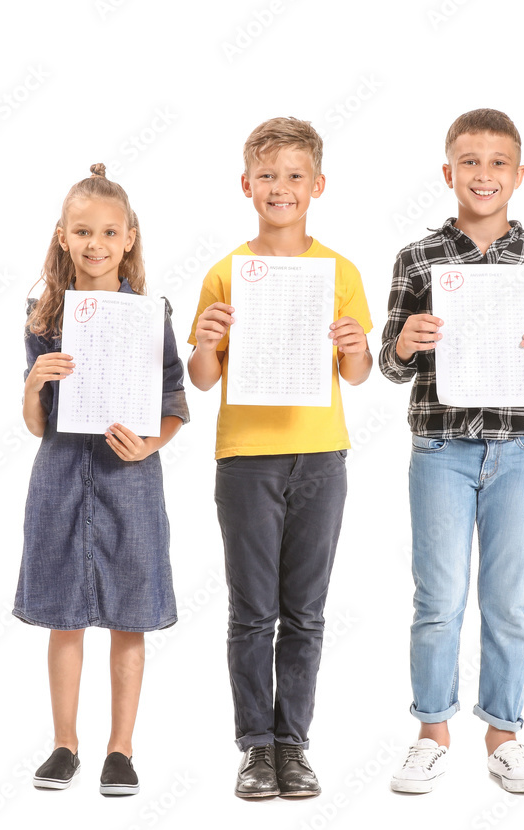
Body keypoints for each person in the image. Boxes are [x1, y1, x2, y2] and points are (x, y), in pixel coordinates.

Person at [380, 108, 524, 794]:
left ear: (519, 175)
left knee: (509, 599)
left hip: (519, 450)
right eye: (470, 161)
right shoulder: (418, 259)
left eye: (498, 163)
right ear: (448, 172)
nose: (483, 174)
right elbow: (390, 363)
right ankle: (432, 730)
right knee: (437, 598)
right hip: (440, 447)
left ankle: (504, 733)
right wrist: (407, 341)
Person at [186, 117, 373, 799]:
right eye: (267, 175)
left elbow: (358, 375)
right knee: (250, 611)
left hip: (322, 456)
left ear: (317, 185)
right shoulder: (226, 273)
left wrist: (354, 344)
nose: (281, 187)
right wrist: (205, 341)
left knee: (306, 611)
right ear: (246, 185)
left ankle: (292, 743)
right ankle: (254, 746)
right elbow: (203, 379)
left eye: (295, 175)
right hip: (246, 460)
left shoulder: (340, 272)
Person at [15, 164, 189, 796]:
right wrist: (36, 384)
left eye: (108, 232)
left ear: (129, 237)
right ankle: (65, 743)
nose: (95, 244)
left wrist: (150, 445)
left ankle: (122, 748)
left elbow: (175, 402)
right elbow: (38, 426)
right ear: (63, 237)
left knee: (129, 617)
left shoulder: (150, 313)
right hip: (62, 477)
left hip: (130, 481)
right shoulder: (43, 316)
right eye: (82, 232)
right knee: (65, 614)